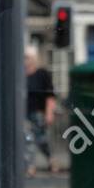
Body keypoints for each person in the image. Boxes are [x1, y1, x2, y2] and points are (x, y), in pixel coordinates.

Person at [24, 46, 58, 175]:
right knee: (28, 139)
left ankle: (51, 159)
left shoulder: (42, 74)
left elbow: (50, 95)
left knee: (42, 139)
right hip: (24, 113)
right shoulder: (20, 74)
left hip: (38, 112)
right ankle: (30, 166)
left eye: (27, 57)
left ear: (34, 59)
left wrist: (49, 112)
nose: (25, 60)